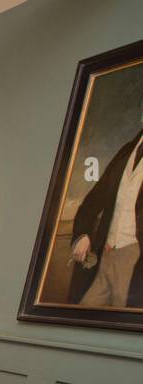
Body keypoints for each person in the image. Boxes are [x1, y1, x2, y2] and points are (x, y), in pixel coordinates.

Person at [69, 97, 143, 308]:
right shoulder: (126, 151)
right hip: (105, 254)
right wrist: (81, 235)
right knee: (82, 313)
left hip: (135, 257)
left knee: (124, 326)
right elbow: (92, 201)